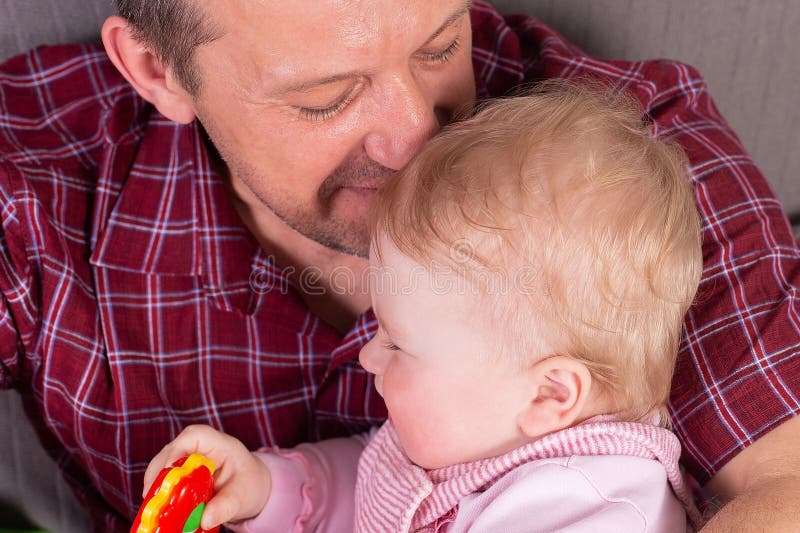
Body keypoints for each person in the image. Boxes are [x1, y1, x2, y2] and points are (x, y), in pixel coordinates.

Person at [0, 1, 797, 531]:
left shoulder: (622, 173)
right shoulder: (35, 173)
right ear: (156, 70)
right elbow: (365, 479)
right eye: (326, 97)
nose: (415, 136)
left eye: (442, 45)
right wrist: (271, 488)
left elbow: (786, 484)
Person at [145, 84, 706, 532]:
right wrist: (265, 490)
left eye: (396, 342)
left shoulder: (594, 507)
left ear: (550, 394)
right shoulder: (471, 434)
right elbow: (373, 486)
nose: (367, 357)